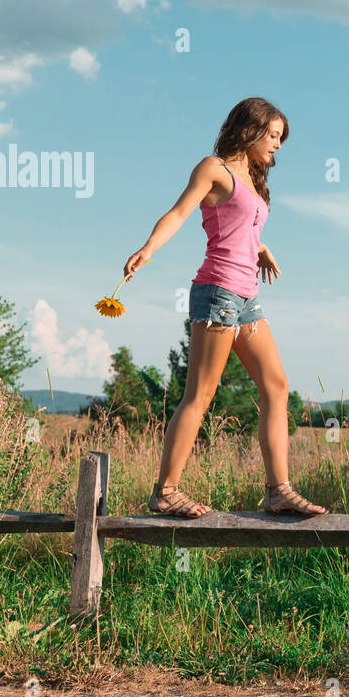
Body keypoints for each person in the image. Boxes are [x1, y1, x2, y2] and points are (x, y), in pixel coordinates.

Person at [123, 96, 328, 518]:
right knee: (199, 394)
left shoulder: (251, 177)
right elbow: (180, 213)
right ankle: (165, 491)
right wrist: (149, 247)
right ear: (249, 129)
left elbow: (241, 225)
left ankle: (278, 491)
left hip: (247, 297)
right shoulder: (213, 168)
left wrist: (263, 248)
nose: (277, 145)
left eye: (280, 138)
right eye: (273, 136)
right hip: (217, 293)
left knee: (277, 387)